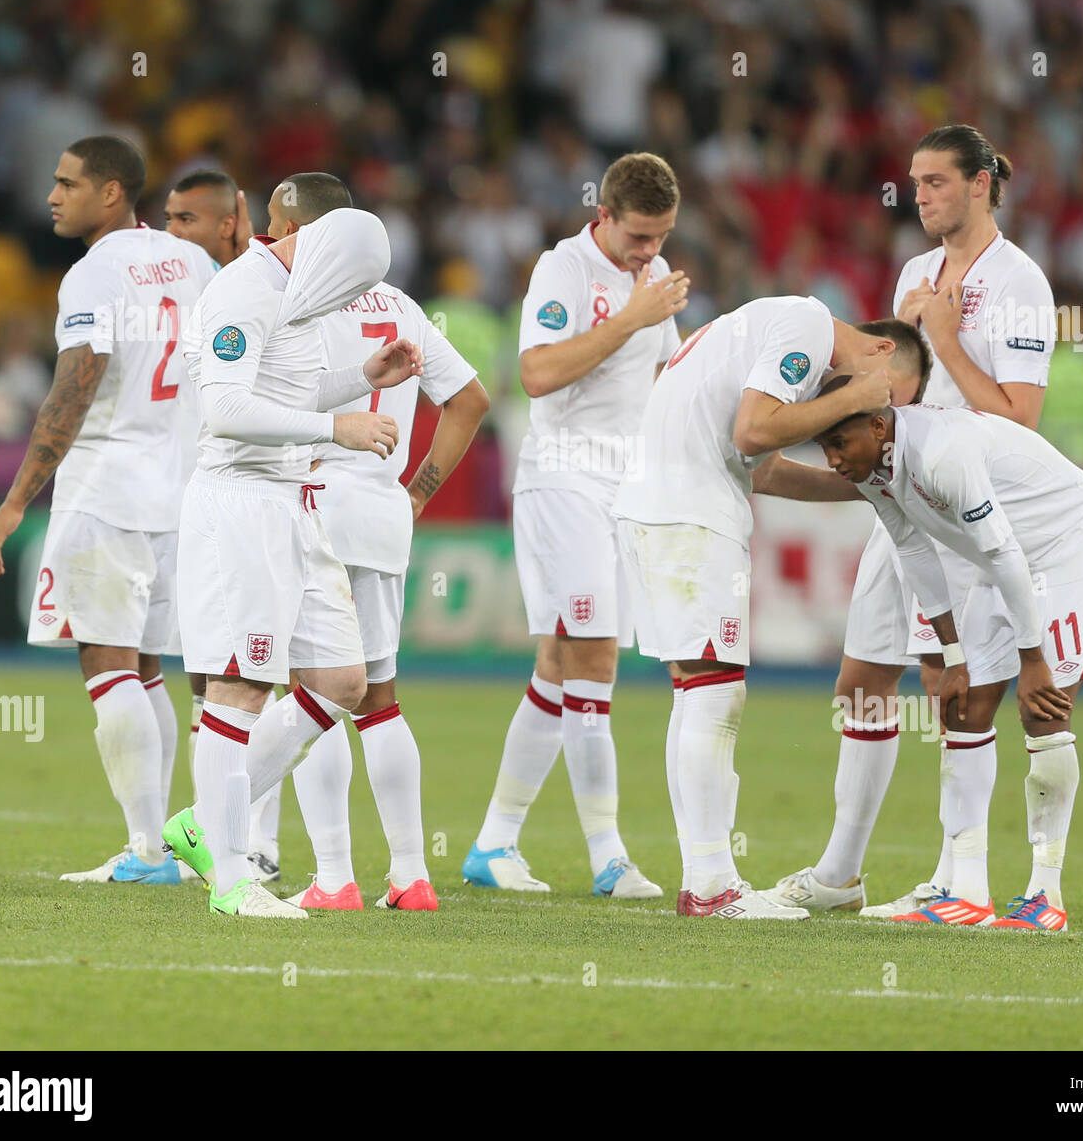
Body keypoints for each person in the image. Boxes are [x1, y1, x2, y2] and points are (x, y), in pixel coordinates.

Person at [763, 124, 1057, 917]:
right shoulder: (916, 273)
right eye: (915, 182)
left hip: (964, 506)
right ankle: (839, 876)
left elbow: (1018, 421)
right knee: (862, 683)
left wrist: (945, 338)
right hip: (902, 500)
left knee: (953, 687)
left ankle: (959, 882)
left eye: (934, 182)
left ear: (981, 184)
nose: (918, 196)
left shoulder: (1021, 283)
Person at [613, 297, 931, 917]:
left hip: (659, 509)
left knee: (696, 692)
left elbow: (761, 469)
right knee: (715, 694)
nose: (883, 411)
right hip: (689, 516)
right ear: (882, 353)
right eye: (892, 395)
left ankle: (704, 879)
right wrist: (852, 397)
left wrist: (865, 488)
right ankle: (713, 888)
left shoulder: (760, 334)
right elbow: (754, 432)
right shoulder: (807, 326)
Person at [161, 207, 423, 917]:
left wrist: (357, 378)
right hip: (239, 502)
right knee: (241, 684)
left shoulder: (299, 299)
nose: (349, 298)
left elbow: (287, 392)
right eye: (352, 283)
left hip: (290, 504)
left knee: (341, 680)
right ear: (329, 258)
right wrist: (335, 426)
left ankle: (200, 823)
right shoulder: (243, 292)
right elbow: (224, 408)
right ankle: (233, 878)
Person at [0, 136, 216, 884]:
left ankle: (148, 850)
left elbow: (75, 387)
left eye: (67, 183)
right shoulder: (193, 262)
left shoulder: (92, 276)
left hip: (106, 491)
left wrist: (16, 500)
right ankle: (163, 847)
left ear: (111, 193)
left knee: (107, 664)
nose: (51, 196)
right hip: (177, 493)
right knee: (147, 668)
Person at [810, 387, 1083, 929]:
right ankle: (968, 890)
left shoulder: (942, 455)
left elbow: (1003, 549)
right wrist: (952, 652)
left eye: (839, 443)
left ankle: (1045, 896)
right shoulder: (871, 467)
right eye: (824, 447)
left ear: (879, 428)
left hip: (1069, 545)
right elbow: (912, 549)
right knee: (962, 708)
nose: (833, 460)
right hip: (997, 555)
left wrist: (1032, 660)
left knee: (1043, 710)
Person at [259, 174, 488, 912]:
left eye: (274, 222)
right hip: (383, 511)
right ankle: (412, 876)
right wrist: (416, 490)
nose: (267, 237)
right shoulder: (400, 305)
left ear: (300, 225)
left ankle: (333, 879)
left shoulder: (294, 298)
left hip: (320, 501)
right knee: (380, 702)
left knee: (317, 691)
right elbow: (471, 400)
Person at [463, 152, 688, 899]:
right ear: (604, 216)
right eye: (638, 237)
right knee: (592, 657)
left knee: (560, 666)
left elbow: (659, 382)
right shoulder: (564, 270)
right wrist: (631, 318)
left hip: (622, 486)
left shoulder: (653, 285)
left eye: (660, 238)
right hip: (562, 476)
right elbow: (537, 374)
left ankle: (494, 844)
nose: (648, 252)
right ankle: (609, 857)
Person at [162, 169, 285, 881]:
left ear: (234, 217)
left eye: (188, 220)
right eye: (170, 220)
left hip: (256, 499)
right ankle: (222, 835)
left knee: (258, 673)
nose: (175, 233)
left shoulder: (260, 290)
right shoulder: (194, 290)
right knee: (213, 675)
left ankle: (250, 841)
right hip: (204, 498)